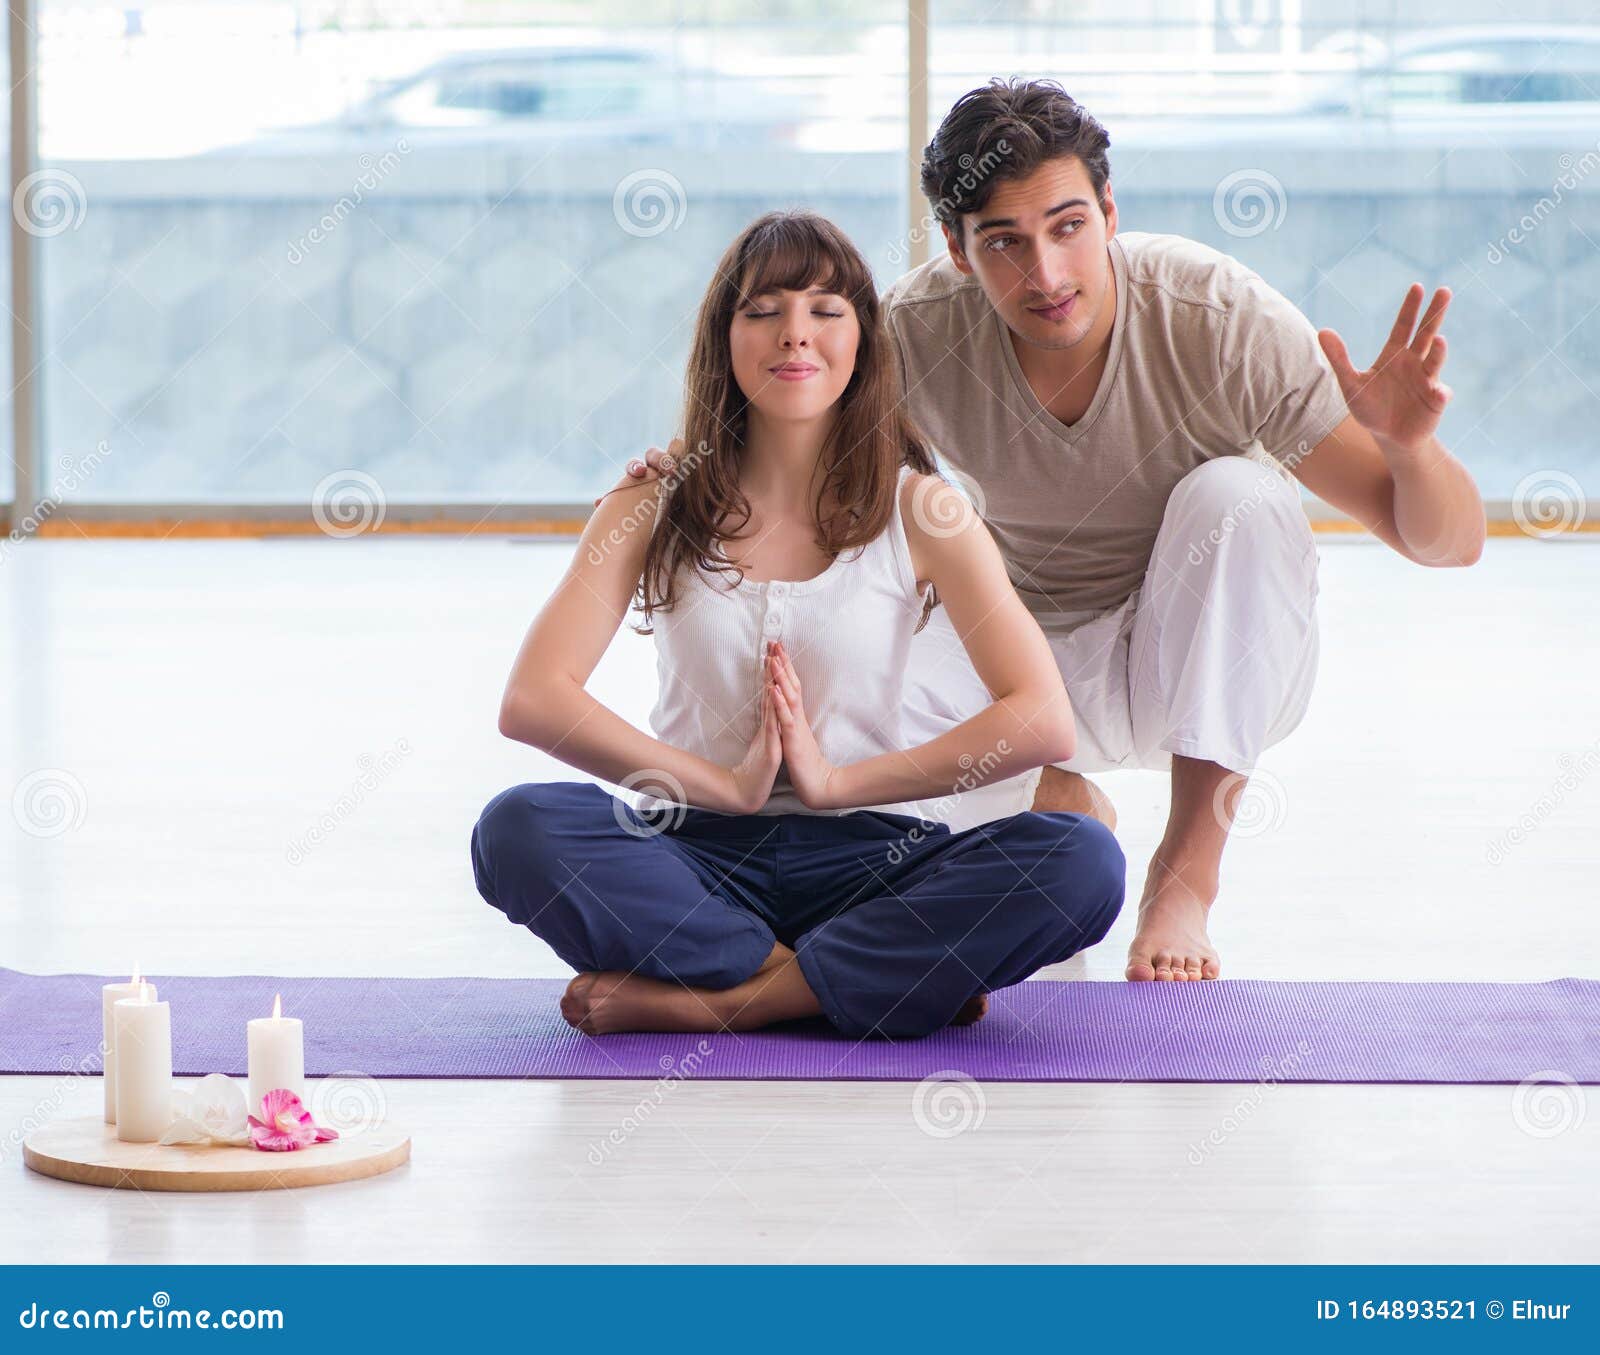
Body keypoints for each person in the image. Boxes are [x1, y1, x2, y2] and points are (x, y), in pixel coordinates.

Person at [621, 79, 1486, 987]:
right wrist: (676, 469)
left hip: (1194, 654)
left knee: (1242, 496)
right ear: (956, 250)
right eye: (1004, 242)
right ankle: (1055, 799)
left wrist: (1410, 450)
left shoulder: (1218, 321)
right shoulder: (915, 332)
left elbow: (1443, 541)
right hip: (1020, 671)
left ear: (1109, 211)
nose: (1046, 274)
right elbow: (783, 436)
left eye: (1069, 226)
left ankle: (1183, 878)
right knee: (832, 662)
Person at [471, 210, 1125, 1040]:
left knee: (1081, 861)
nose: (795, 335)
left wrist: (837, 784)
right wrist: (722, 787)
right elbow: (533, 700)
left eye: (826, 309)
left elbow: (1040, 716)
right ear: (724, 337)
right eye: (764, 310)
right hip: (694, 856)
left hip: (874, 858)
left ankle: (725, 1000)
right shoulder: (648, 503)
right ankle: (873, 979)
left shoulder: (923, 507)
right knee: (517, 828)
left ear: (862, 339)